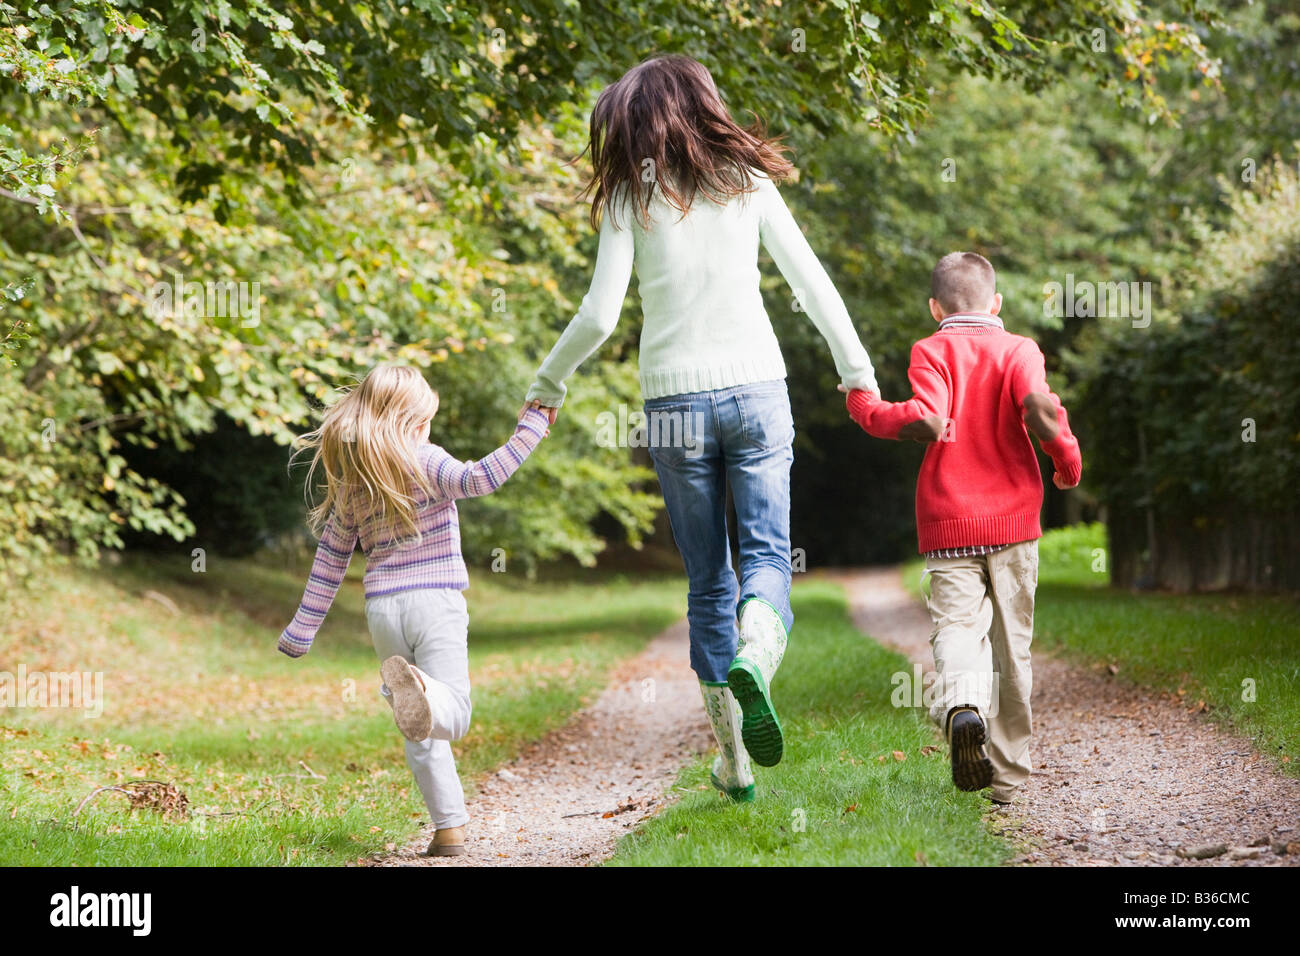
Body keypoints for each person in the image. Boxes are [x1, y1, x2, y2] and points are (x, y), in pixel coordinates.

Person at [522, 55, 878, 799]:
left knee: (705, 578)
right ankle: (758, 647)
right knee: (767, 556)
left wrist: (546, 385)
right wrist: (858, 376)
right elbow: (812, 284)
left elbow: (599, 315)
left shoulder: (628, 197)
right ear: (703, 103)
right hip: (756, 391)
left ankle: (733, 762)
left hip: (673, 406)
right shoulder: (748, 182)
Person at [279, 364, 548, 854]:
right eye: (426, 418)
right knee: (454, 713)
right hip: (435, 601)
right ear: (411, 422)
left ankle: (448, 830)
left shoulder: (352, 479)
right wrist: (533, 426)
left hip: (383, 609)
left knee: (418, 727)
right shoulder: (427, 459)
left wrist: (303, 626)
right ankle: (422, 688)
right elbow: (480, 478)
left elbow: (331, 557)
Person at [844, 251, 1082, 804]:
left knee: (956, 628)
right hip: (1014, 520)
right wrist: (1065, 458)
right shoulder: (1021, 349)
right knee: (1011, 645)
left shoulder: (930, 350)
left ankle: (962, 708)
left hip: (950, 519)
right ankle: (1008, 776)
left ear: (935, 307)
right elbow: (1038, 407)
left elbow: (926, 417)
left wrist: (867, 408)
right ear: (995, 302)